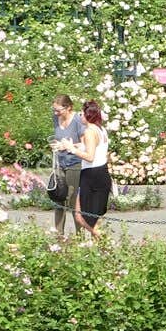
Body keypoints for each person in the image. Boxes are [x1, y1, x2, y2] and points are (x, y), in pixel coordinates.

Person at [57, 100, 111, 241]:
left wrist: (72, 149)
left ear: (87, 115)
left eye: (81, 113)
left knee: (80, 216)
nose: (79, 116)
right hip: (102, 172)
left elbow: (90, 156)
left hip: (91, 175)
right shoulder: (100, 129)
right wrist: (69, 145)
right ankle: (99, 243)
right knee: (94, 217)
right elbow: (91, 146)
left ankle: (103, 239)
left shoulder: (88, 131)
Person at [51, 94, 85, 237]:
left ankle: (80, 236)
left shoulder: (77, 120)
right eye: (54, 110)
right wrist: (56, 145)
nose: (55, 113)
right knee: (58, 198)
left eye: (58, 110)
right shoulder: (55, 119)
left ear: (69, 107)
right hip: (60, 163)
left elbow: (84, 145)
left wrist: (68, 146)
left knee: (72, 201)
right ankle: (59, 236)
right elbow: (57, 138)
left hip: (75, 163)